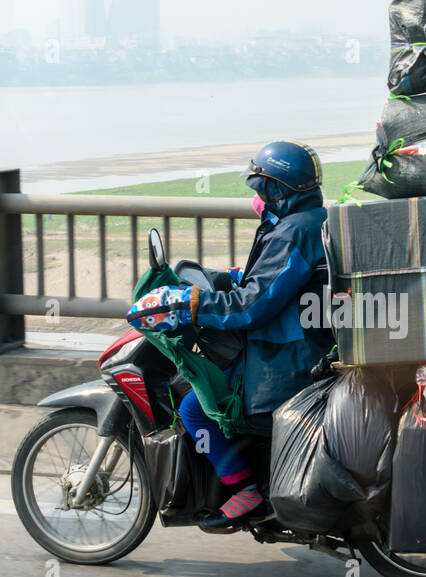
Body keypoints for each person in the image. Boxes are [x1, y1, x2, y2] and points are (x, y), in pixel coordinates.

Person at [127, 140, 333, 531]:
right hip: (298, 344)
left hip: (283, 361)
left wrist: (189, 305)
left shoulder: (293, 231)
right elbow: (270, 281)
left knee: (192, 408)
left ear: (279, 189)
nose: (257, 197)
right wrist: (228, 278)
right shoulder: (309, 219)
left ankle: (247, 491)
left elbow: (252, 305)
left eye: (262, 188)